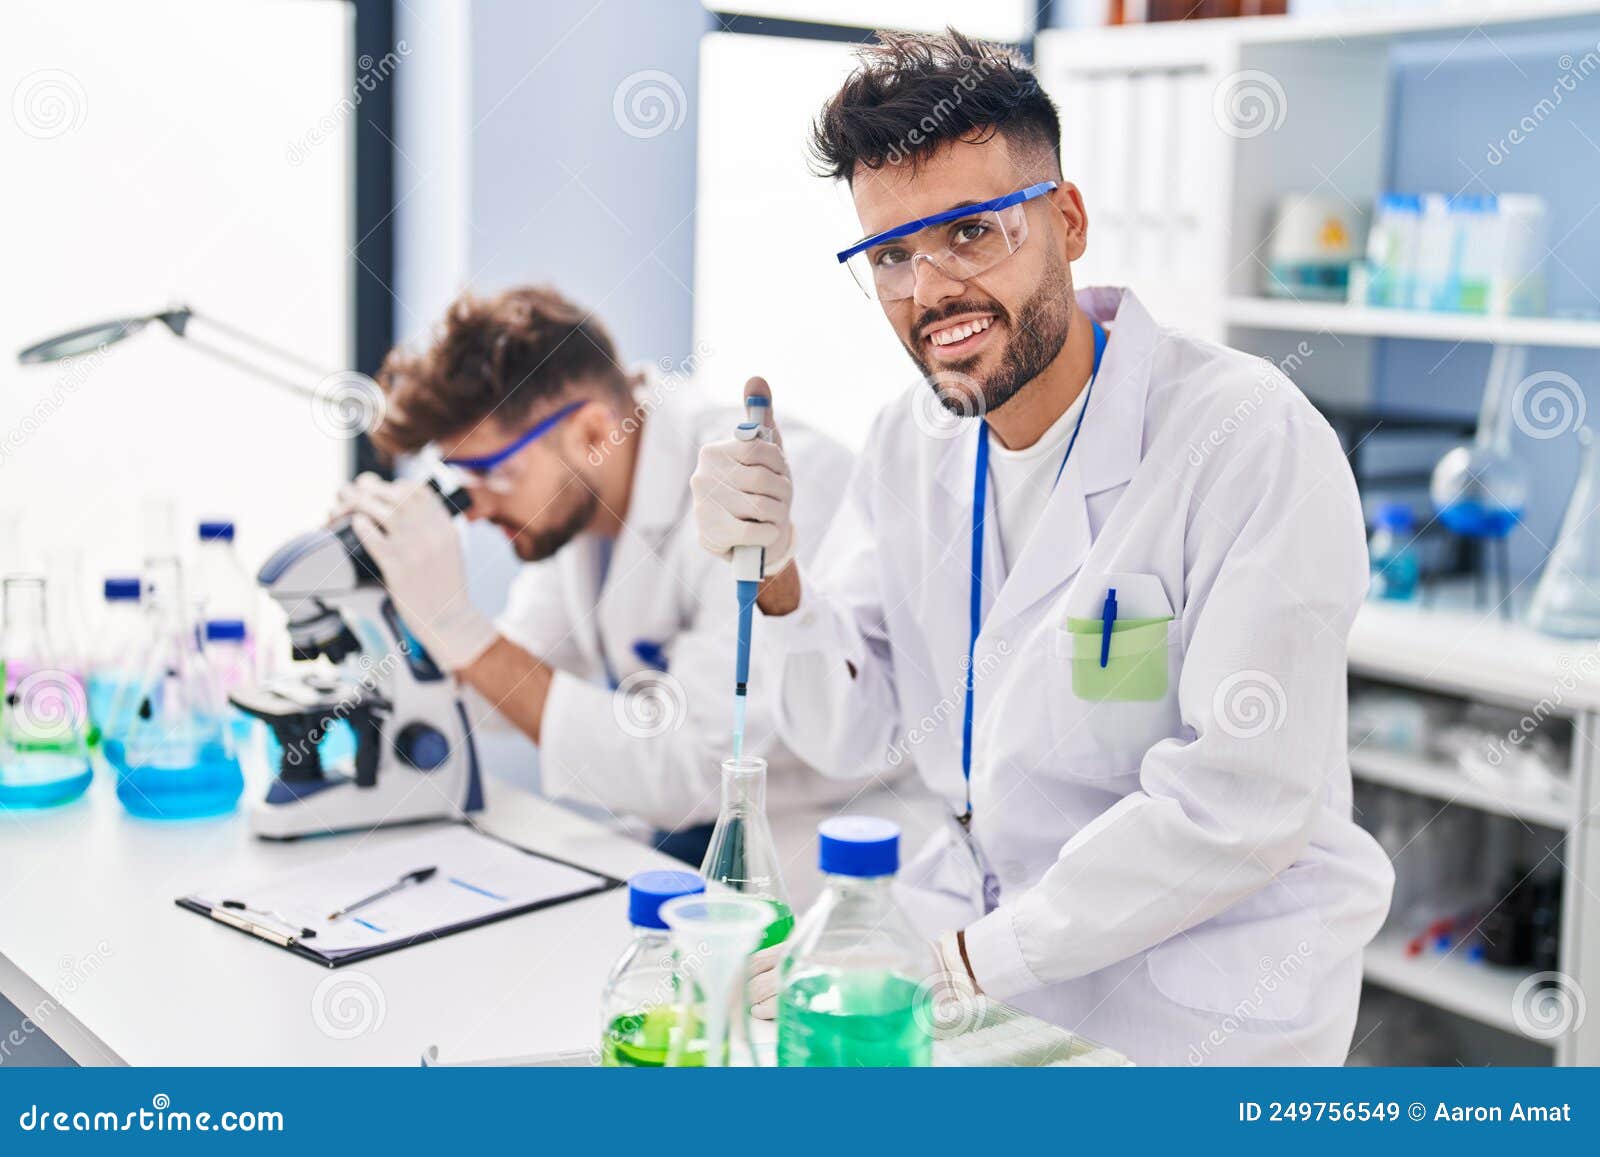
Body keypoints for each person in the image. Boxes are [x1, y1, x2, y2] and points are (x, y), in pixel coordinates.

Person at [692, 30, 1394, 1064]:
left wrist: (966, 961)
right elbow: (855, 731)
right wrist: (780, 570)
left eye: (971, 232)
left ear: (1065, 222)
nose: (931, 292)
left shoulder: (1245, 436)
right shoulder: (911, 440)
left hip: (1201, 1005)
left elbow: (1238, 803)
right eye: (891, 256)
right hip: (987, 953)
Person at [335, 286, 893, 870]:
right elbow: (511, 681)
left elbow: (696, 771)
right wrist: (397, 602)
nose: (473, 508)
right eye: (458, 478)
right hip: (691, 843)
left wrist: (459, 629)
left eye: (490, 473)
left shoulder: (761, 484)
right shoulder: (572, 507)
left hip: (822, 852)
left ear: (594, 435)